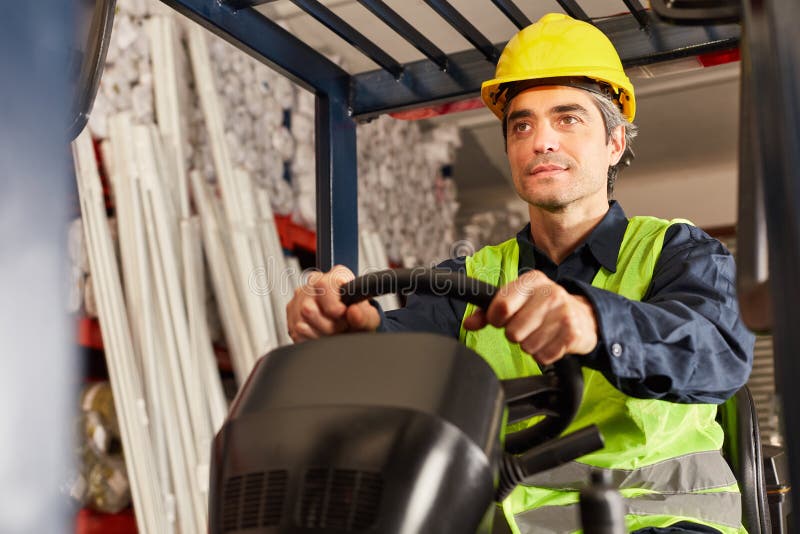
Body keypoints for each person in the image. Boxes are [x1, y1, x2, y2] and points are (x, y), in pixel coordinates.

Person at [285, 13, 753, 534]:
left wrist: (594, 322)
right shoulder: (466, 277)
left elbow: (719, 354)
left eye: (568, 119)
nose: (540, 141)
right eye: (521, 125)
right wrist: (356, 331)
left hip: (662, 523)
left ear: (615, 143)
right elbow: (410, 361)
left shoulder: (678, 252)